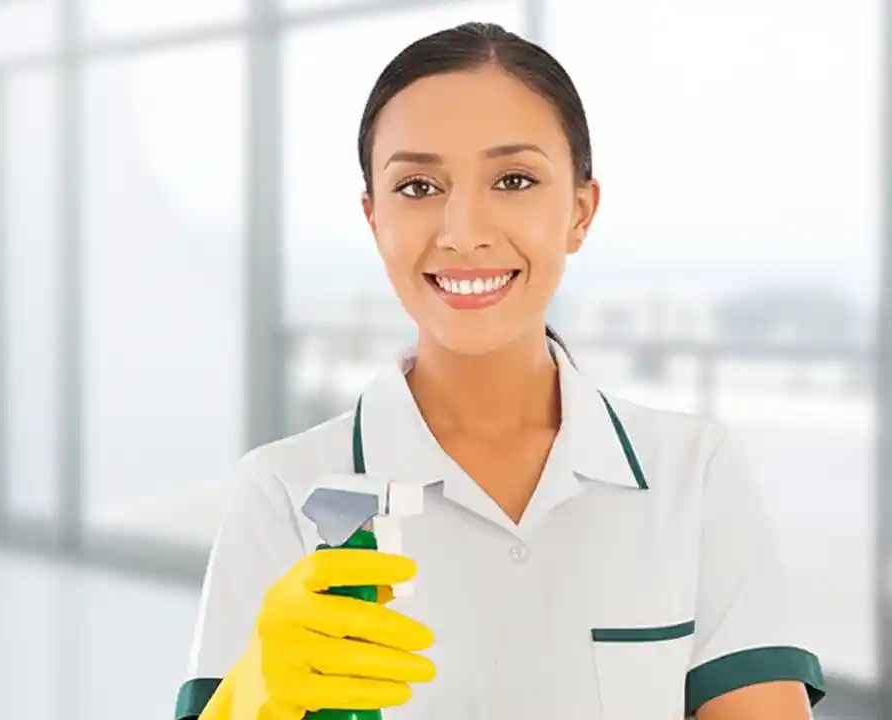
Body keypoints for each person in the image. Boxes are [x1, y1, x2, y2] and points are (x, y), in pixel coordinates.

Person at [174, 21, 825, 720]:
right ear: (374, 219)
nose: (464, 232)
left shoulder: (695, 474)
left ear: (580, 212)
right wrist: (252, 697)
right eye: (418, 186)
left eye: (514, 180)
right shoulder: (282, 492)